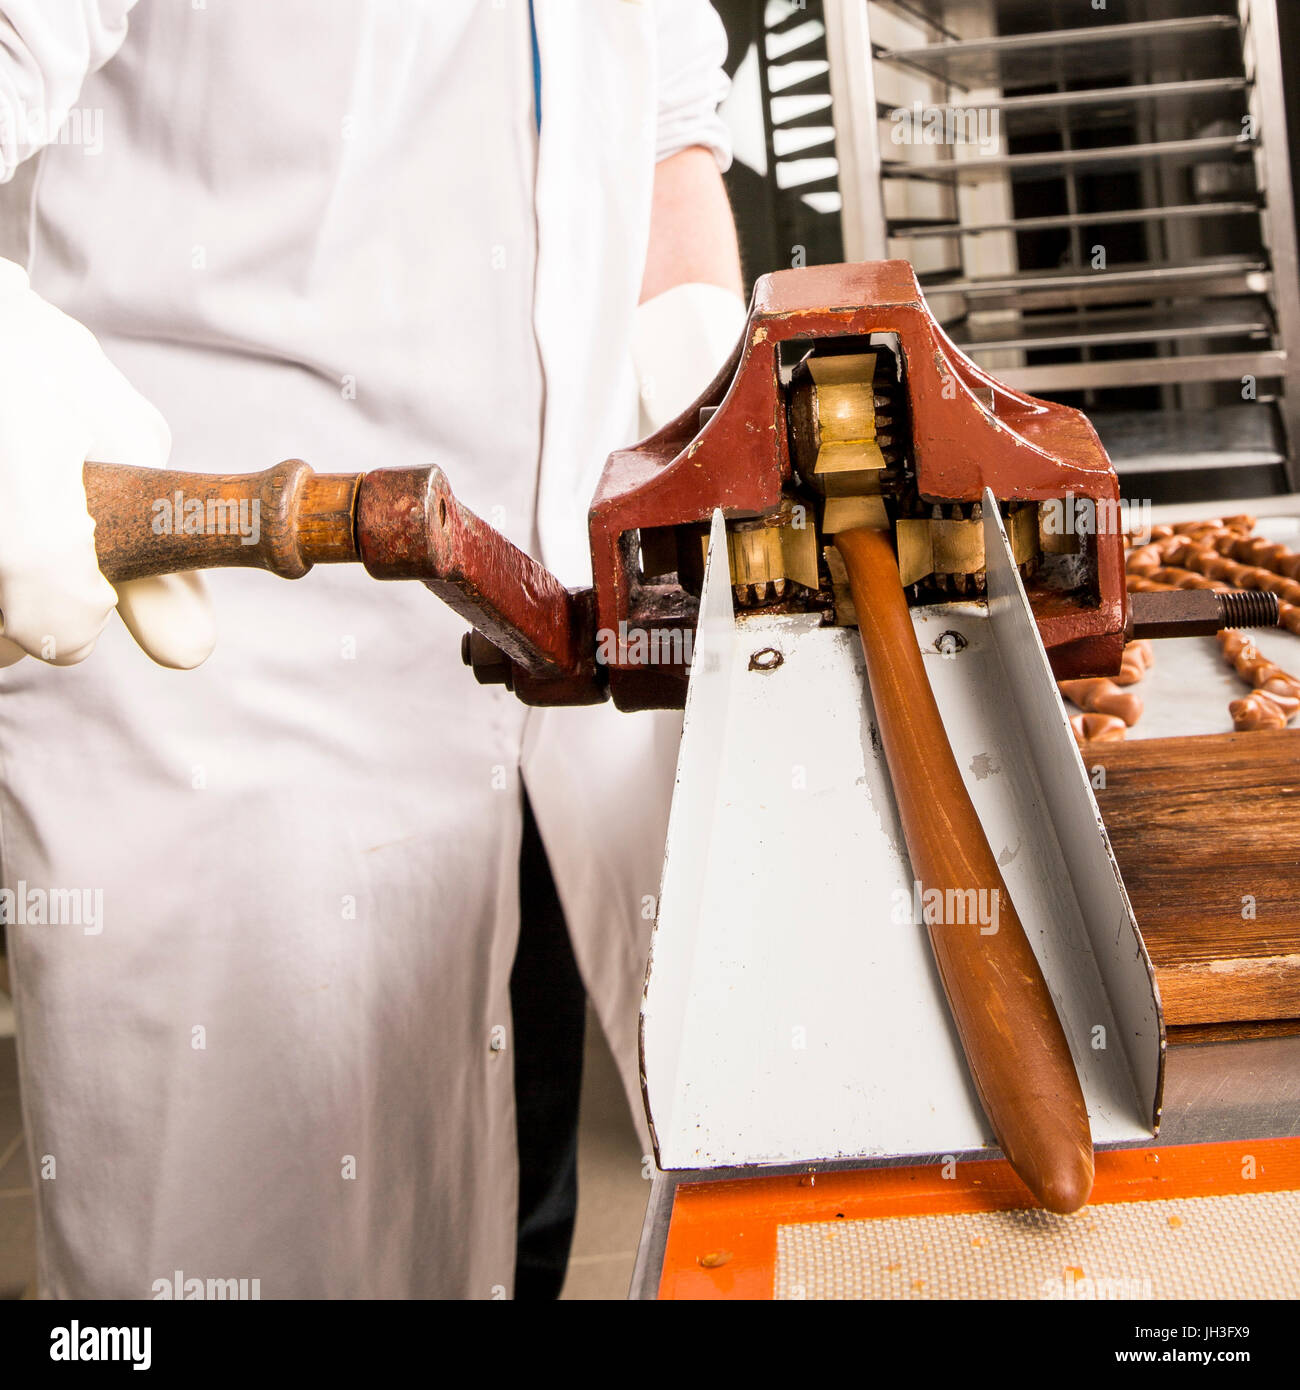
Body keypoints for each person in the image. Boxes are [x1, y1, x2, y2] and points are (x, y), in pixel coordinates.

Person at [0, 0, 743, 1299]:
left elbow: (672, 132)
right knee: (246, 1247)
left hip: (545, 688)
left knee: (510, 1215)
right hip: (218, 685)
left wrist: (712, 426)